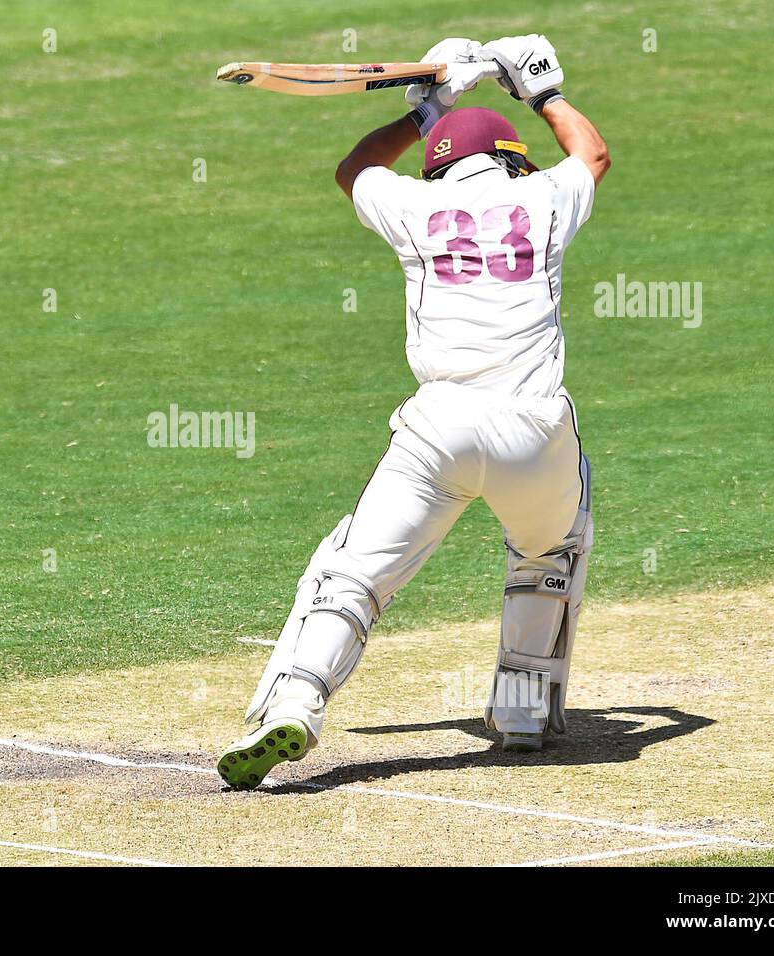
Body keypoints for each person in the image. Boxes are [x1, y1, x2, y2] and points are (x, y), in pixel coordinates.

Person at [218, 35, 611, 790]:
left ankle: (296, 705)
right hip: (534, 427)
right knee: (550, 550)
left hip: (439, 428)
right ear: (509, 160)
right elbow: (591, 155)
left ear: (436, 163)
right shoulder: (541, 198)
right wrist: (542, 90)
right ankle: (523, 712)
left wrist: (428, 110)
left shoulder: (414, 205)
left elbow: (354, 171)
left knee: (353, 575)